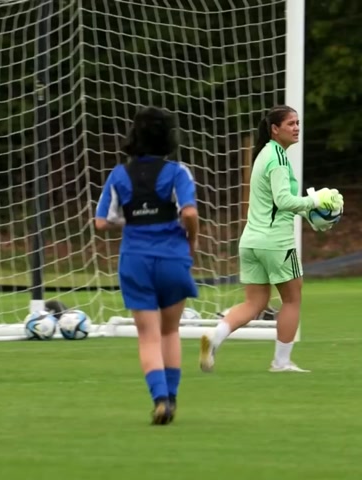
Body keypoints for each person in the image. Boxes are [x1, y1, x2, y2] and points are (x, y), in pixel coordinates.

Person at [199, 105, 341, 373]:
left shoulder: (265, 154)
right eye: (290, 123)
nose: (296, 128)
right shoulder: (277, 158)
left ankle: (213, 337)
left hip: (251, 241)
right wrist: (316, 201)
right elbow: (283, 201)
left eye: (298, 122)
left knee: (255, 304)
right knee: (292, 300)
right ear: (274, 129)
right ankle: (281, 362)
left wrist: (310, 211)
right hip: (275, 243)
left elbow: (277, 204)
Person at [94, 106, 199, 425]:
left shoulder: (118, 175)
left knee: (148, 336)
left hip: (135, 260)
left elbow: (101, 222)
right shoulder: (178, 172)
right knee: (170, 331)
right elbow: (190, 213)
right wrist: (191, 242)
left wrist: (135, 218)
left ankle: (159, 399)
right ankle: (173, 397)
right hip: (172, 257)